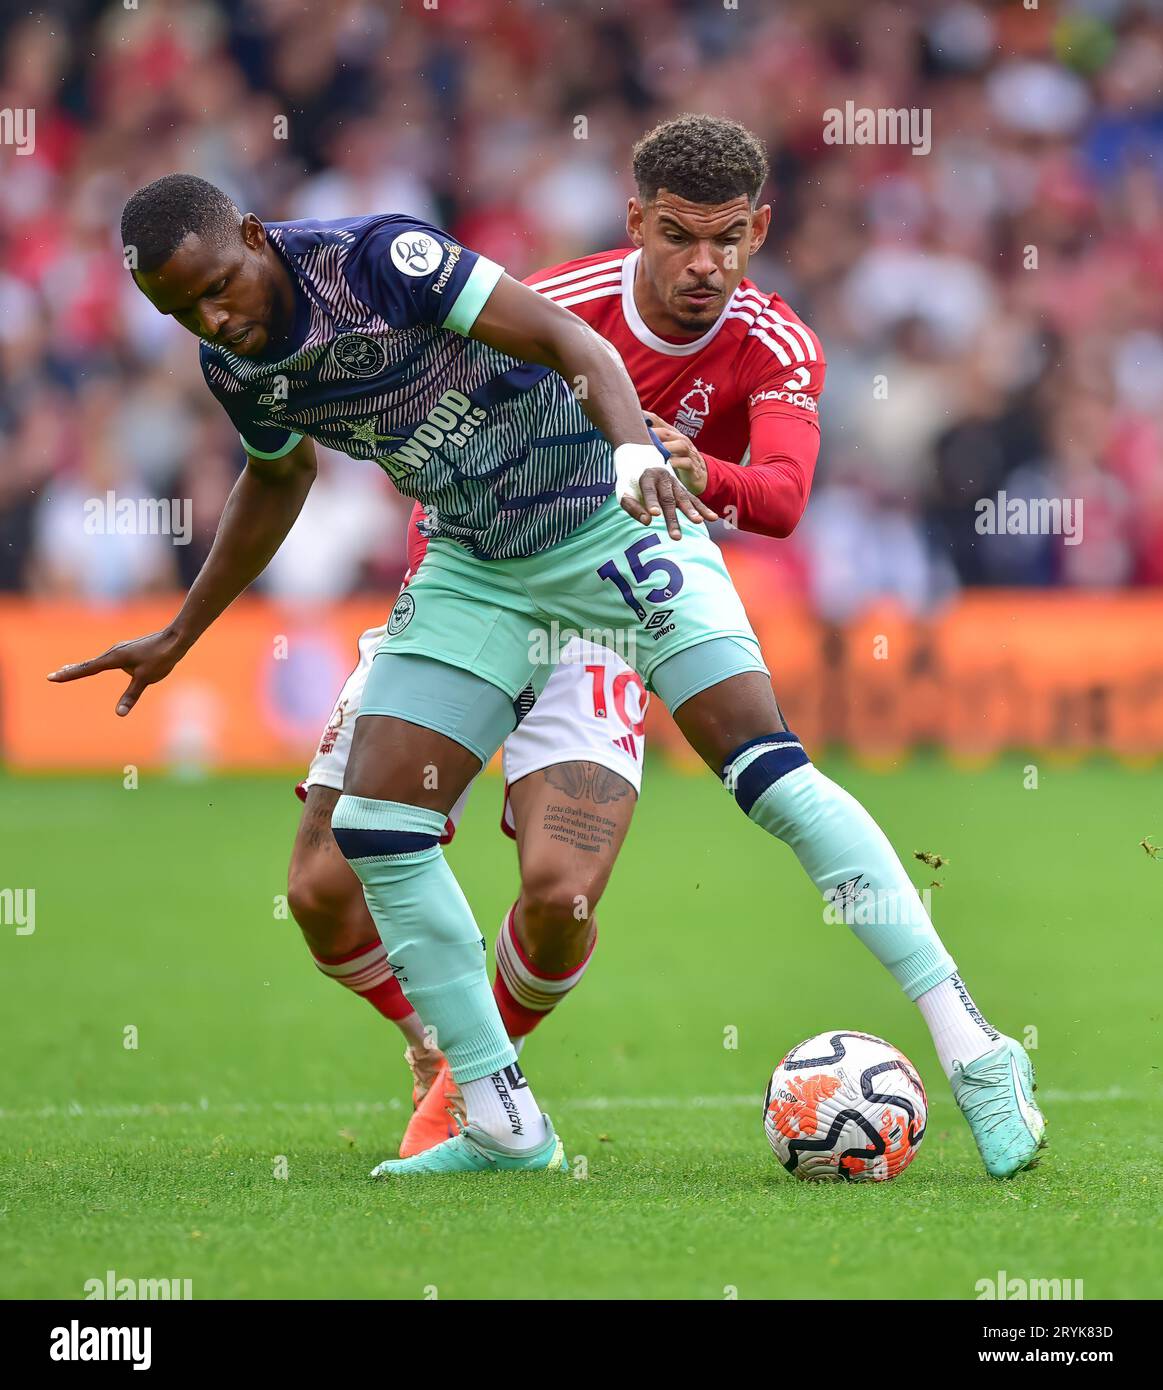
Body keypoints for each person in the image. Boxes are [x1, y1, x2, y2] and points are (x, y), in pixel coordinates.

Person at [50, 138, 1046, 1180]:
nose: (212, 319)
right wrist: (179, 632)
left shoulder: (383, 259)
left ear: (254, 237)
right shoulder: (235, 361)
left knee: (767, 775)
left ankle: (973, 1047)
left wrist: (629, 457)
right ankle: (502, 1120)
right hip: (475, 563)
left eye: (216, 289)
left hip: (606, 524)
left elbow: (581, 347)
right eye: (182, 313)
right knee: (374, 828)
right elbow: (277, 475)